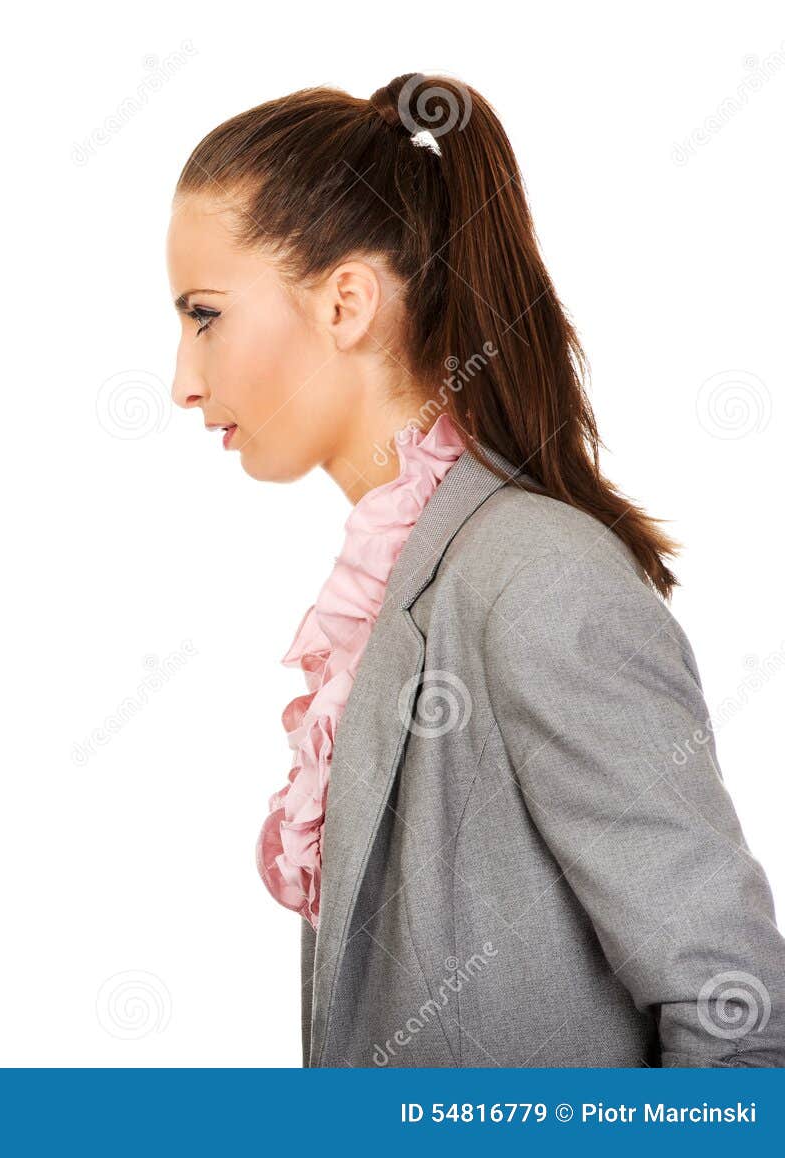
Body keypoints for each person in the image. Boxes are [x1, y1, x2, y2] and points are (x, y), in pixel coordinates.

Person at [165, 73, 785, 1066]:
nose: (183, 380)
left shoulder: (538, 578)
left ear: (346, 302)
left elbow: (740, 1027)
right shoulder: (402, 581)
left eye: (204, 315)